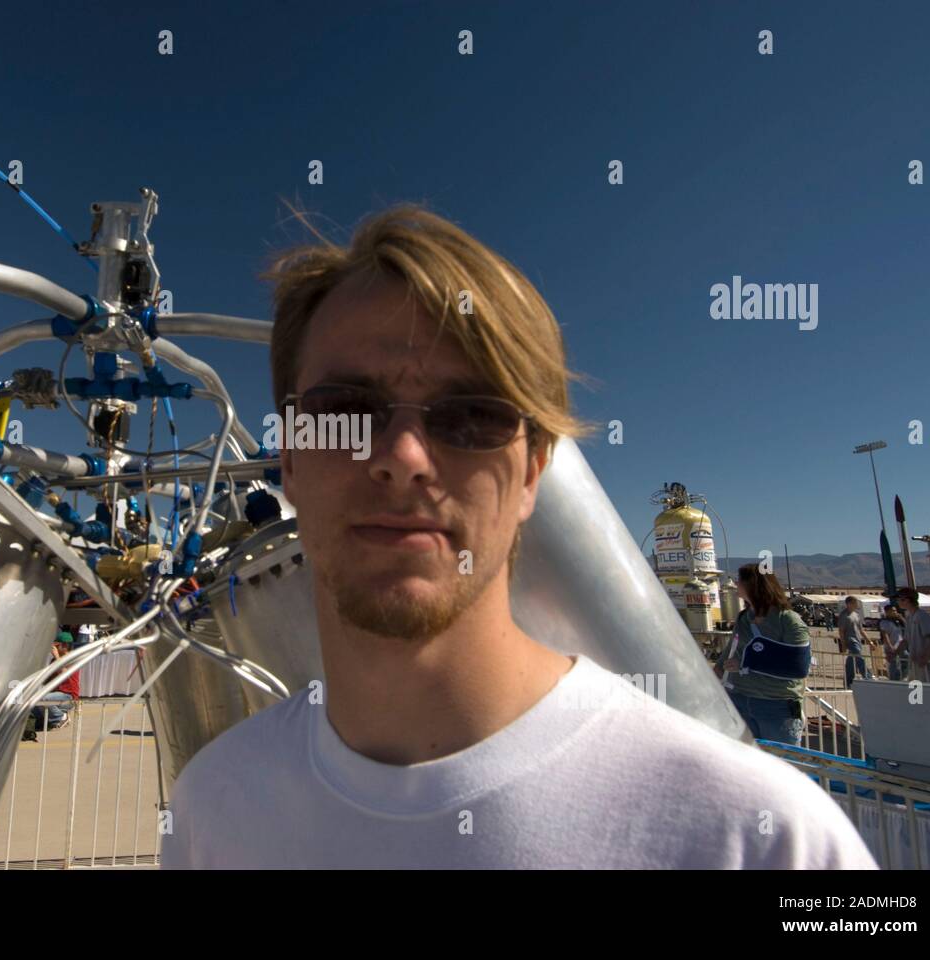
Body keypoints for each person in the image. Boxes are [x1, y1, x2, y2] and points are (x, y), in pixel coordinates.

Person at [159, 204, 875, 869]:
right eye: (345, 410)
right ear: (290, 457)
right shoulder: (211, 811)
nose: (404, 458)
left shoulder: (763, 840)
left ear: (533, 471)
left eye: (471, 415)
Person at [713, 565, 812, 747]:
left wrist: (747, 663)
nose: (736, 584)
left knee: (781, 766)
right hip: (739, 701)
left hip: (776, 707)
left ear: (754, 585)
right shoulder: (744, 618)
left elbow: (798, 666)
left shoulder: (788, 620)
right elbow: (730, 652)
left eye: (740, 580)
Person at [31, 631, 82, 733]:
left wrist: (57, 657)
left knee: (43, 698)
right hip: (57, 695)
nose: (55, 649)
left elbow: (66, 675)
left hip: (69, 696)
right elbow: (47, 681)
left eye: (57, 646)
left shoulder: (73, 658)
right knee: (33, 697)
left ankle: (60, 717)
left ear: (65, 645)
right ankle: (42, 721)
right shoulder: (55, 660)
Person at [896, 588, 930, 684]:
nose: (897, 602)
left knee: (929, 693)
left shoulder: (922, 616)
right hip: (916, 663)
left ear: (906, 600)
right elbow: (905, 640)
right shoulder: (909, 617)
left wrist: (926, 656)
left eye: (899, 599)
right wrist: (894, 653)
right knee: (916, 694)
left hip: (929, 665)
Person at [836, 596, 870, 688]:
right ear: (849, 603)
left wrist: (869, 641)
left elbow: (861, 630)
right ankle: (868, 677)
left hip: (857, 639)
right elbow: (841, 631)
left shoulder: (856, 614)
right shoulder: (844, 616)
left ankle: (848, 681)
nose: (857, 604)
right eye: (855, 602)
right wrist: (843, 644)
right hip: (851, 641)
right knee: (859, 658)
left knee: (851, 662)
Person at [878, 604, 907, 681]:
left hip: (900, 646)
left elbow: (908, 626)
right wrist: (890, 646)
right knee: (894, 665)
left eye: (895, 610)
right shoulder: (884, 622)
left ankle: (902, 677)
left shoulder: (897, 621)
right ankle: (894, 680)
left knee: (907, 660)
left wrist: (901, 618)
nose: (895, 612)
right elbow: (885, 635)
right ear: (887, 612)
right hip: (891, 647)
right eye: (893, 611)